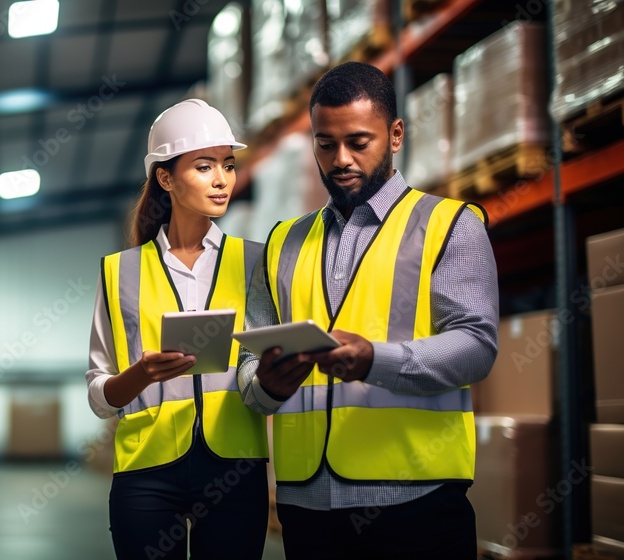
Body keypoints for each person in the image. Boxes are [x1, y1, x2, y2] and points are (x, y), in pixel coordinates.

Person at [237, 61, 499, 559]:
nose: (341, 159)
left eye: (359, 142)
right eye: (325, 143)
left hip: (415, 500)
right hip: (305, 505)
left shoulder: (449, 224)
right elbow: (250, 374)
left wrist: (376, 360)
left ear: (395, 134)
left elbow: (477, 346)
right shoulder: (281, 244)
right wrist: (265, 386)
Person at [86, 99, 270, 560]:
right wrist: (142, 375)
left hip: (234, 468)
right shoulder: (120, 271)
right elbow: (98, 394)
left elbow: (262, 367)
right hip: (146, 473)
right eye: (204, 166)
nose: (221, 179)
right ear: (165, 178)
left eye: (227, 165)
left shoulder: (255, 262)